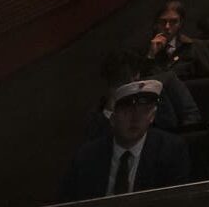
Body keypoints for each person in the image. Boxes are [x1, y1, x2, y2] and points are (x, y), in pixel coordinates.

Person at [58, 79, 193, 200]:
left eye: (144, 111)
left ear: (152, 116)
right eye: (127, 111)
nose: (135, 119)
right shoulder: (87, 156)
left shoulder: (169, 151)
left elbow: (174, 206)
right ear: (112, 118)